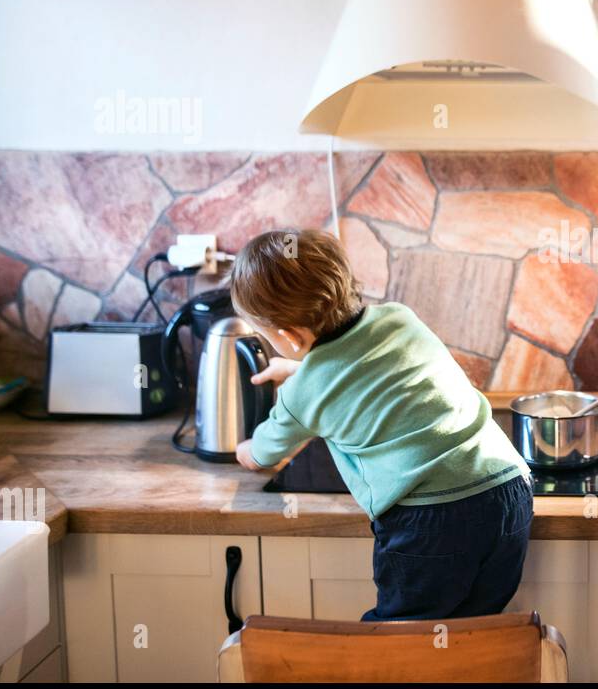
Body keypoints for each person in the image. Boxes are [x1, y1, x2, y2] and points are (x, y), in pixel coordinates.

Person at [228, 228, 534, 622]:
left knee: (395, 647)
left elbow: (265, 454)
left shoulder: (301, 394)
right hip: (508, 491)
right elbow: (365, 362)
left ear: (286, 336)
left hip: (432, 523)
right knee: (472, 637)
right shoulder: (400, 318)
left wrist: (242, 449)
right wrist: (303, 371)